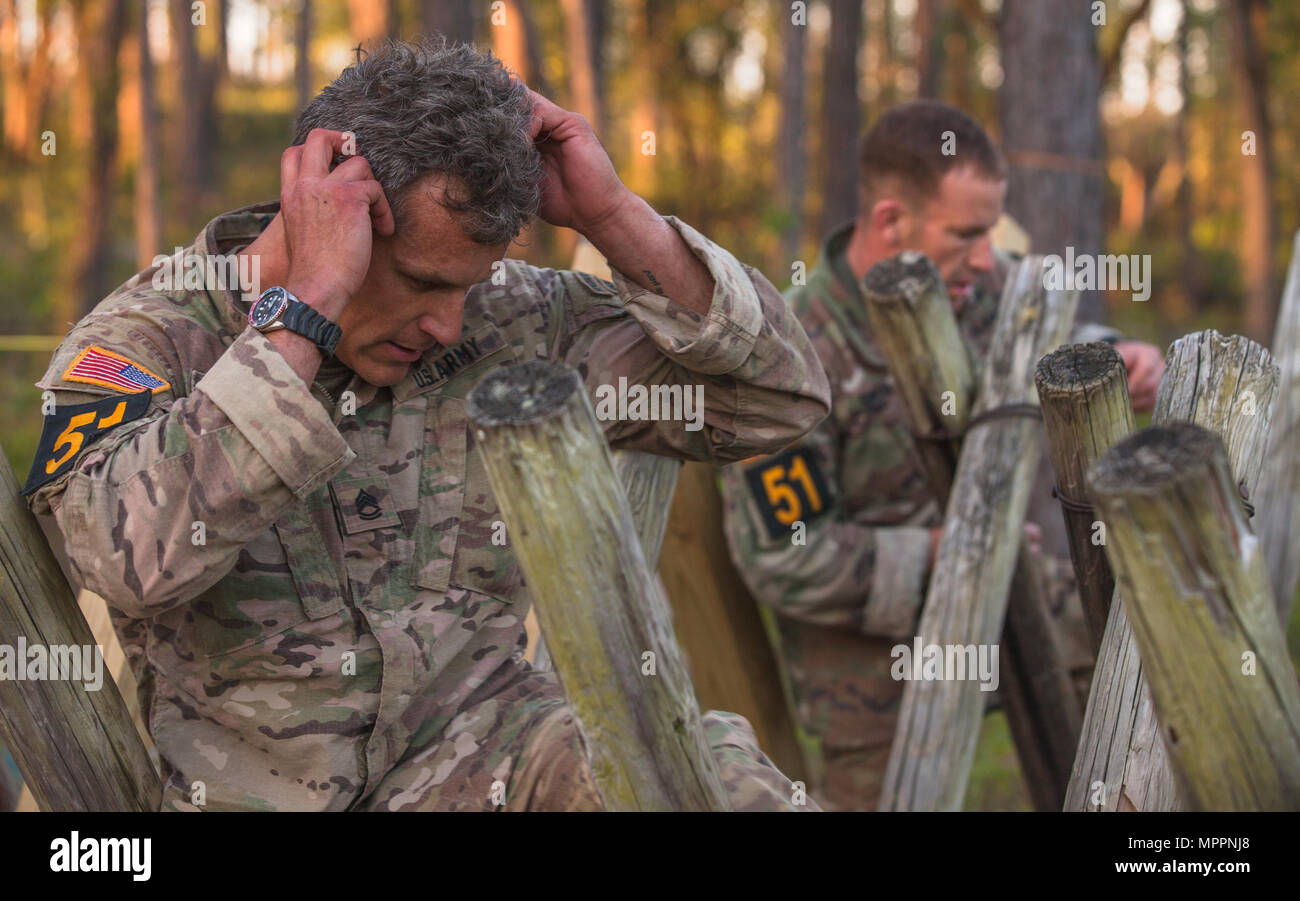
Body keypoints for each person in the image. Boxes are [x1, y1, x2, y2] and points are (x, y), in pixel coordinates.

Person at [24, 39, 830, 812]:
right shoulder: (146, 339)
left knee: (713, 778)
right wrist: (303, 314)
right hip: (256, 793)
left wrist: (613, 215)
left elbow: (779, 397)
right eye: (420, 280)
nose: (449, 323)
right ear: (324, 207)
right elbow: (118, 558)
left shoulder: (511, 315)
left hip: (494, 760)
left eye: (466, 286)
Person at [718, 100, 1164, 811]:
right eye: (967, 233)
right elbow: (786, 556)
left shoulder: (973, 281)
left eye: (992, 230)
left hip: (1012, 595)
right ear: (892, 220)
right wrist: (939, 553)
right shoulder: (792, 354)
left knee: (1140, 663)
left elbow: (1038, 323)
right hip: (872, 667)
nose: (988, 255)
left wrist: (1121, 355)